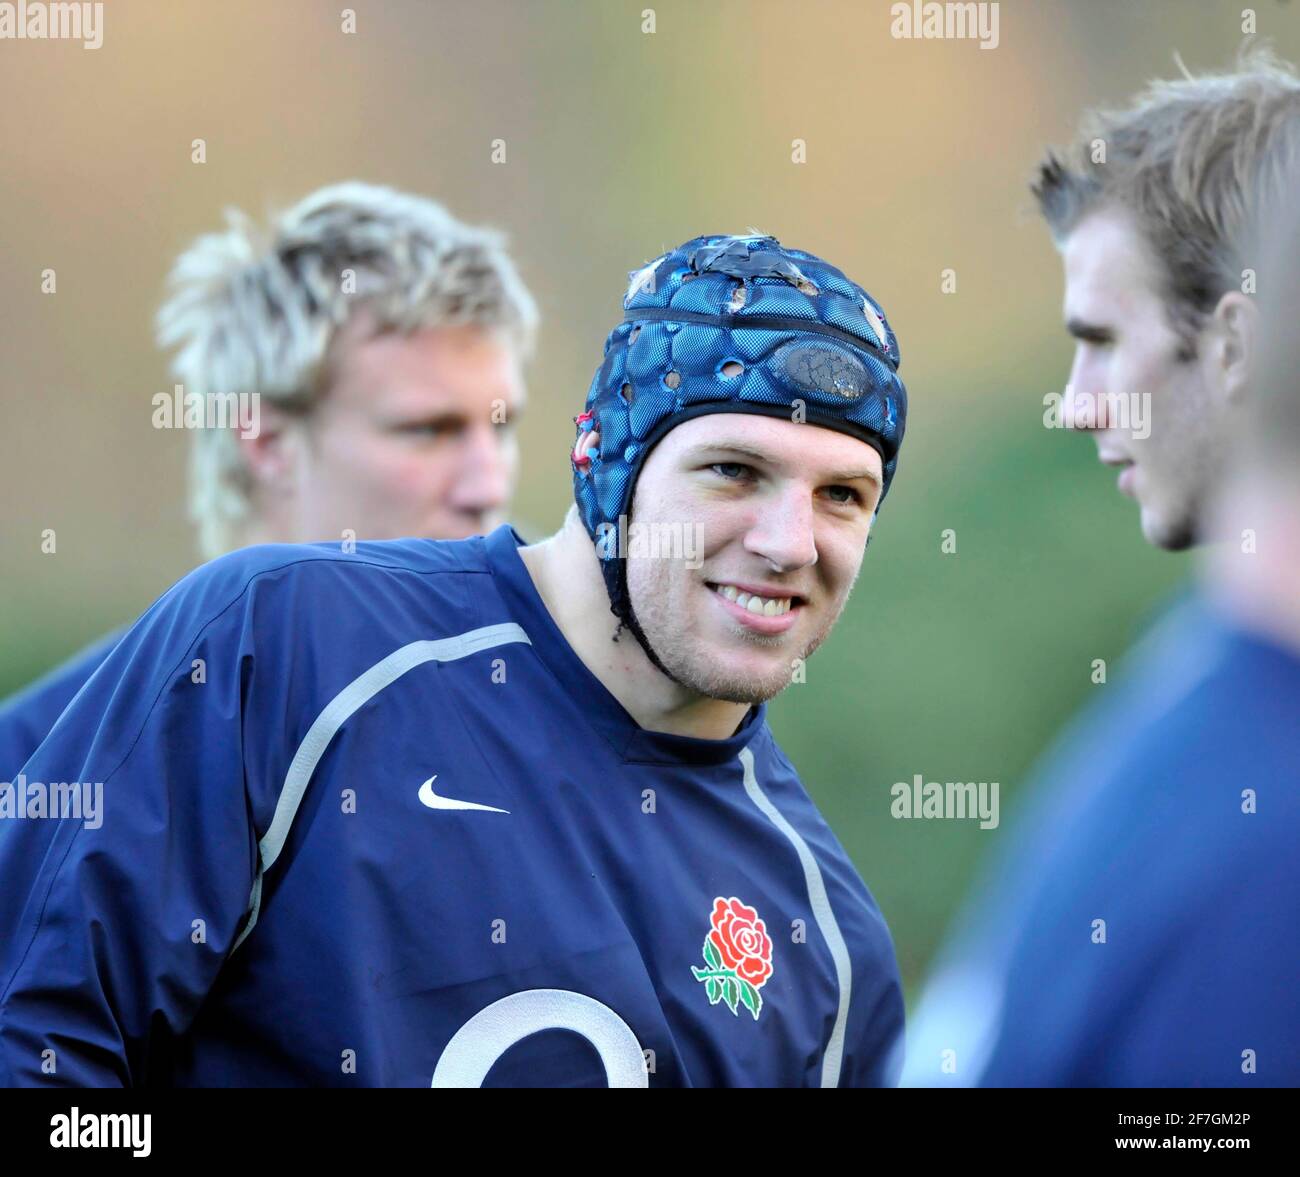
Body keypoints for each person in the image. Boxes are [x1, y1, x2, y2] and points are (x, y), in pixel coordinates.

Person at [0, 233, 907, 1087]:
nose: (790, 542)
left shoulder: (831, 946)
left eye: (842, 495)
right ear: (608, 468)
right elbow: (38, 1045)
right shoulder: (283, 642)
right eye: (733, 472)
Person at [903, 52, 1300, 1087]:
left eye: (1101, 342)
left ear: (1234, 349)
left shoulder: (1213, 736)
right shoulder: (1249, 821)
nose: (1076, 402)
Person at [0, 181, 536, 775]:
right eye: (430, 430)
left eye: (502, 426)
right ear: (268, 442)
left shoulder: (569, 698)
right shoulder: (45, 766)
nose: (488, 486)